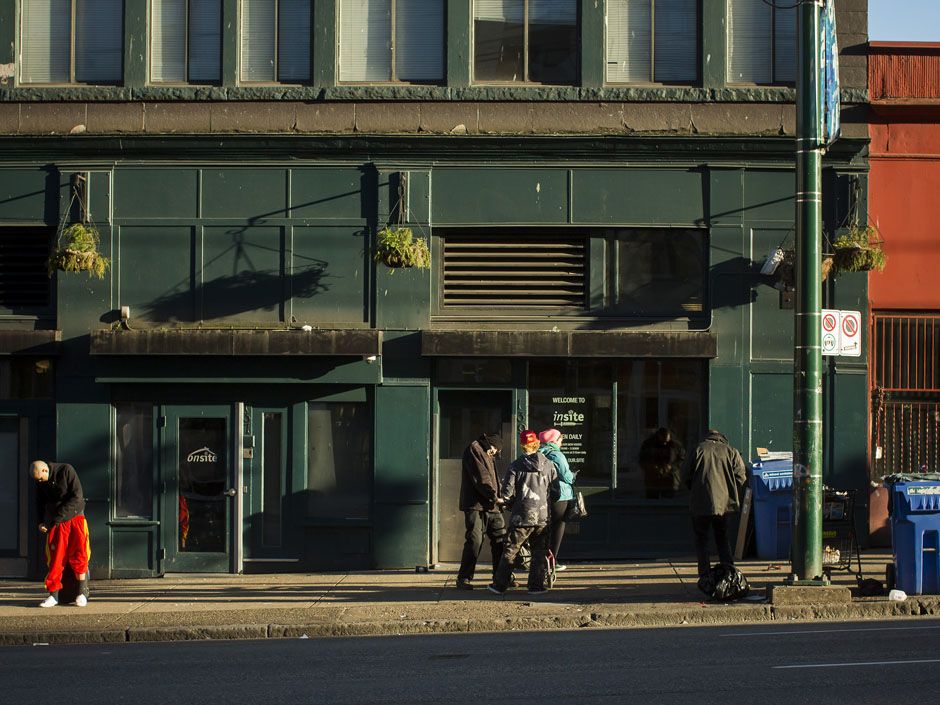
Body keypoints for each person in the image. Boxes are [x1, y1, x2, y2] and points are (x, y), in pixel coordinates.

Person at [488, 430, 557, 595]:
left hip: (521, 516)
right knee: (539, 552)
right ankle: (536, 586)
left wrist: (509, 502)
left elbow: (507, 493)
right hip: (542, 517)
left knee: (511, 550)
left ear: (522, 445)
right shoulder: (549, 465)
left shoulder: (516, 465)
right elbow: (556, 492)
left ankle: (500, 585)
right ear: (537, 444)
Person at [685, 430, 747, 577]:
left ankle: (704, 574)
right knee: (722, 538)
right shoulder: (731, 451)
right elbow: (741, 477)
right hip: (724, 505)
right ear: (722, 439)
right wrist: (729, 490)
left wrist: (695, 489)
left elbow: (684, 475)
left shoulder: (697, 449)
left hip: (700, 503)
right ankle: (729, 572)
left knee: (702, 540)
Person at [30, 460, 91, 607]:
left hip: (75, 518)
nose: (39, 482)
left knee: (79, 554)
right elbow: (40, 502)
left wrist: (57, 518)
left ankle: (82, 593)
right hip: (56, 523)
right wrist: (41, 522)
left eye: (40, 479)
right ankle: (53, 595)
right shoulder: (40, 481)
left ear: (45, 471)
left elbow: (77, 496)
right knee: (56, 557)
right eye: (37, 480)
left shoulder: (66, 470)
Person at [456, 433, 507, 590]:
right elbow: (482, 477)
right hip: (476, 505)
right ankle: (464, 577)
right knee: (475, 540)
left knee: (500, 540)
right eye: (495, 450)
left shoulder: (484, 452)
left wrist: (498, 498)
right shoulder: (475, 449)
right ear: (490, 445)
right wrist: (494, 496)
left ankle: (501, 577)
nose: (495, 453)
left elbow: (491, 478)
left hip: (491, 505)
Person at [537, 428, 576, 572]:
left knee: (544, 528)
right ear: (554, 441)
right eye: (560, 440)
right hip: (559, 496)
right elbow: (566, 476)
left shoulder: (539, 453)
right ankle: (552, 561)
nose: (562, 442)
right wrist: (573, 475)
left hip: (542, 496)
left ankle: (540, 559)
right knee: (558, 526)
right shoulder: (556, 455)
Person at [639, 427, 686, 499]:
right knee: (652, 501)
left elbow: (681, 459)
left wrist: (671, 466)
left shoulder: (675, 445)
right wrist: (651, 467)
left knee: (668, 501)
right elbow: (642, 459)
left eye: (666, 441)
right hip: (653, 479)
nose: (664, 443)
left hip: (670, 479)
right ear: (658, 436)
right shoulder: (648, 444)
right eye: (663, 441)